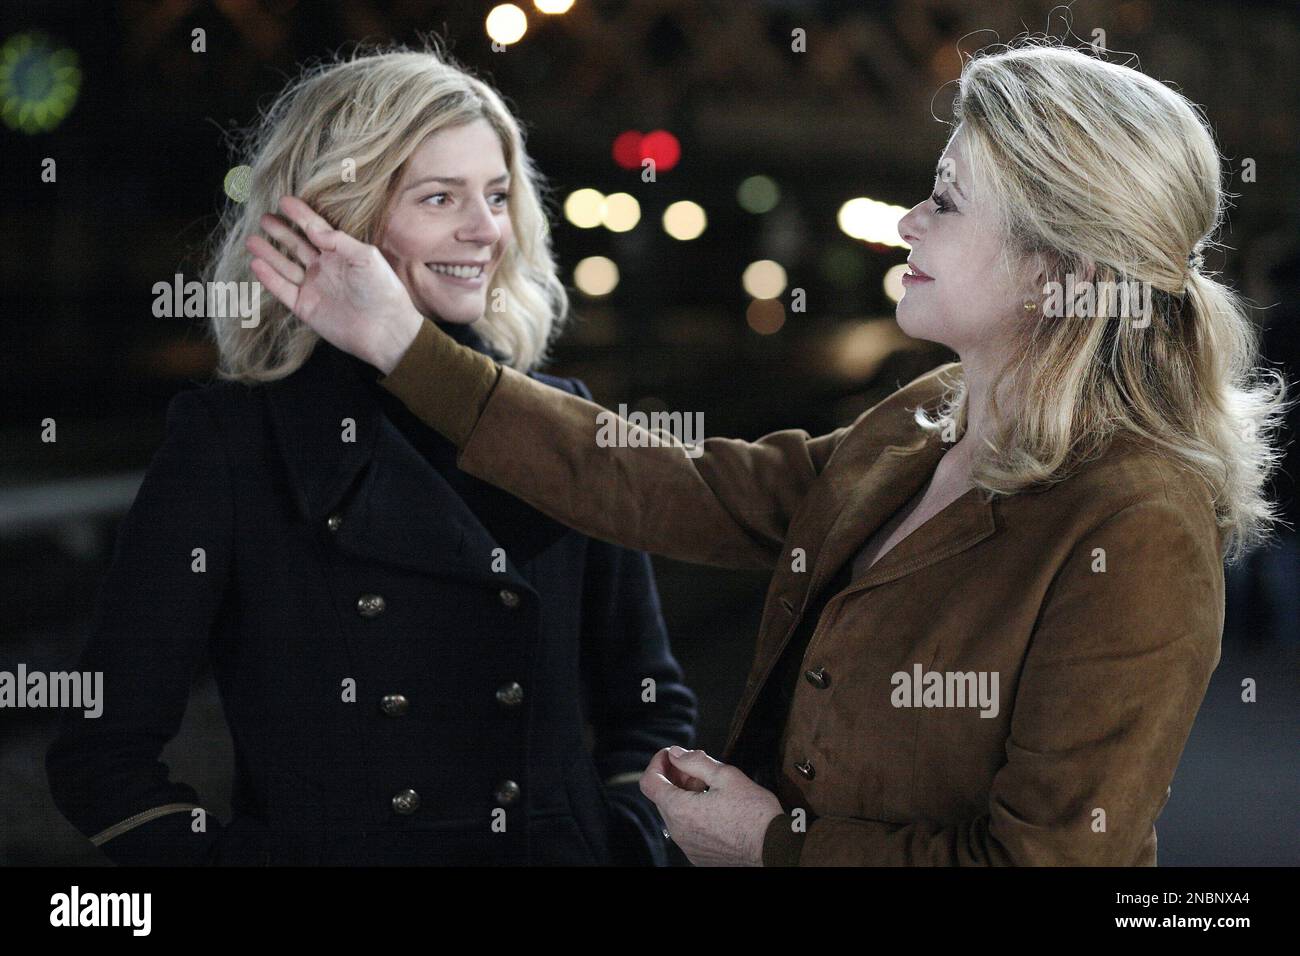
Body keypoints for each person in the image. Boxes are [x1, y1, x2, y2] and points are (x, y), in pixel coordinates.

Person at [248, 41, 1292, 866]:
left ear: (1052, 262)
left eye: (946, 200)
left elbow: (1047, 859)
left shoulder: (1137, 521)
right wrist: (404, 346)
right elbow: (681, 483)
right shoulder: (933, 413)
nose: (905, 222)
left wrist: (766, 842)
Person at [46, 46, 697, 866]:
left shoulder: (564, 422)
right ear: (336, 218)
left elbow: (651, 705)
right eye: (440, 197)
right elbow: (102, 755)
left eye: (497, 196)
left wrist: (618, 845)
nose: (486, 228)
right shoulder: (235, 442)